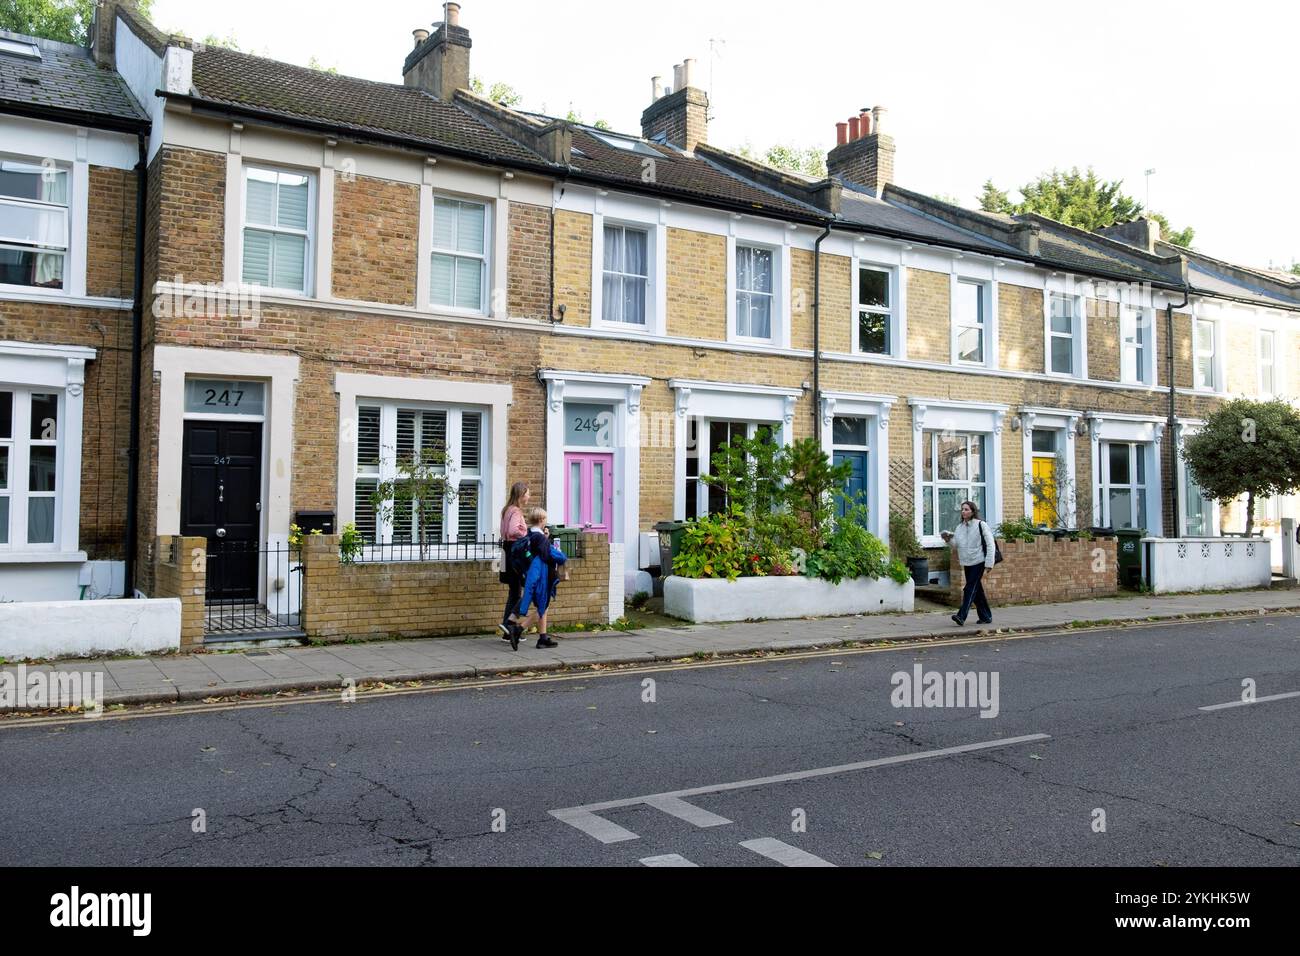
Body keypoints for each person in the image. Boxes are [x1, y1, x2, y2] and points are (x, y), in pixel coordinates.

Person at [508, 507, 566, 650]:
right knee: (543, 606)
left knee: (543, 607)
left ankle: (542, 638)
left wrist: (546, 540)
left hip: (533, 575)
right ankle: (519, 629)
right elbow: (547, 556)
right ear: (541, 520)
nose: (546, 521)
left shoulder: (530, 534)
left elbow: (538, 552)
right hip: (542, 577)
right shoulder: (539, 538)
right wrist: (560, 555)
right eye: (545, 519)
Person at [941, 500, 996, 627]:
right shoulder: (959, 527)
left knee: (969, 588)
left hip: (979, 561)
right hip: (966, 562)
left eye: (966, 509)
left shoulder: (980, 525)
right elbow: (956, 546)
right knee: (977, 591)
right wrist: (948, 539)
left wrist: (989, 563)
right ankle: (986, 616)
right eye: (962, 509)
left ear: (972, 511)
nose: (963, 511)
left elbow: (990, 544)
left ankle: (961, 616)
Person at [497, 482, 530, 644]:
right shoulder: (515, 511)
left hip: (507, 550)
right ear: (521, 494)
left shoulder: (506, 509)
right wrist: (526, 532)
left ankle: (507, 630)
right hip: (515, 553)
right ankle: (508, 625)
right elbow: (512, 531)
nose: (529, 496)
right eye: (527, 493)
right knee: (520, 592)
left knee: (514, 592)